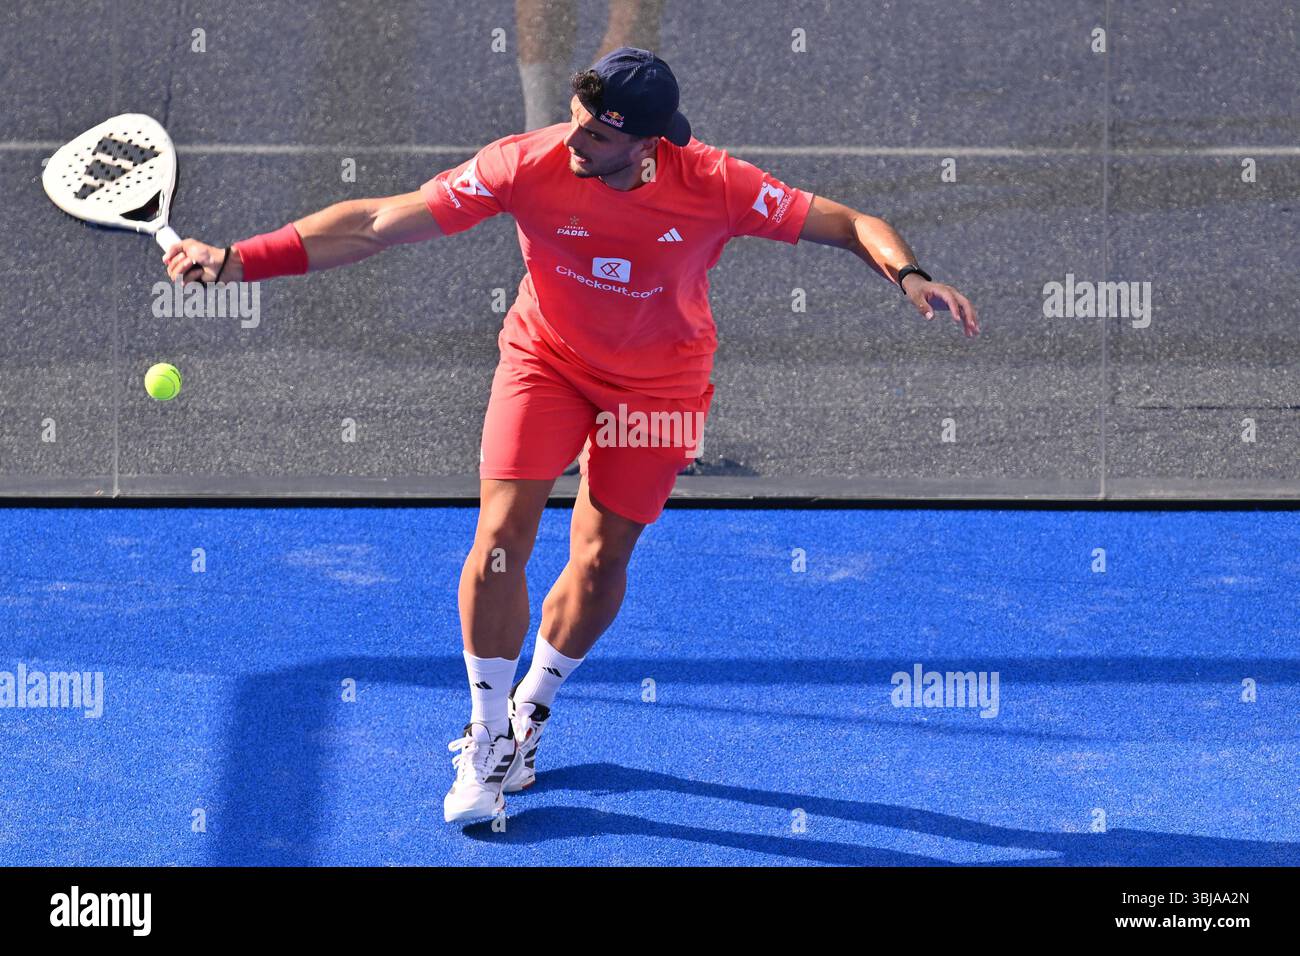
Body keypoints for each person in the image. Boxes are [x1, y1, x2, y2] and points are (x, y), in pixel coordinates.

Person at [163, 47, 979, 825]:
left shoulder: (718, 184)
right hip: (545, 360)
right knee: (497, 541)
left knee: (598, 562)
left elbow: (849, 222)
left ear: (649, 142)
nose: (578, 139)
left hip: (659, 386)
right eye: (577, 118)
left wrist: (910, 275)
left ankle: (532, 708)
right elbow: (377, 221)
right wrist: (239, 260)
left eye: (599, 132)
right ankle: (487, 739)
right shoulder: (528, 162)